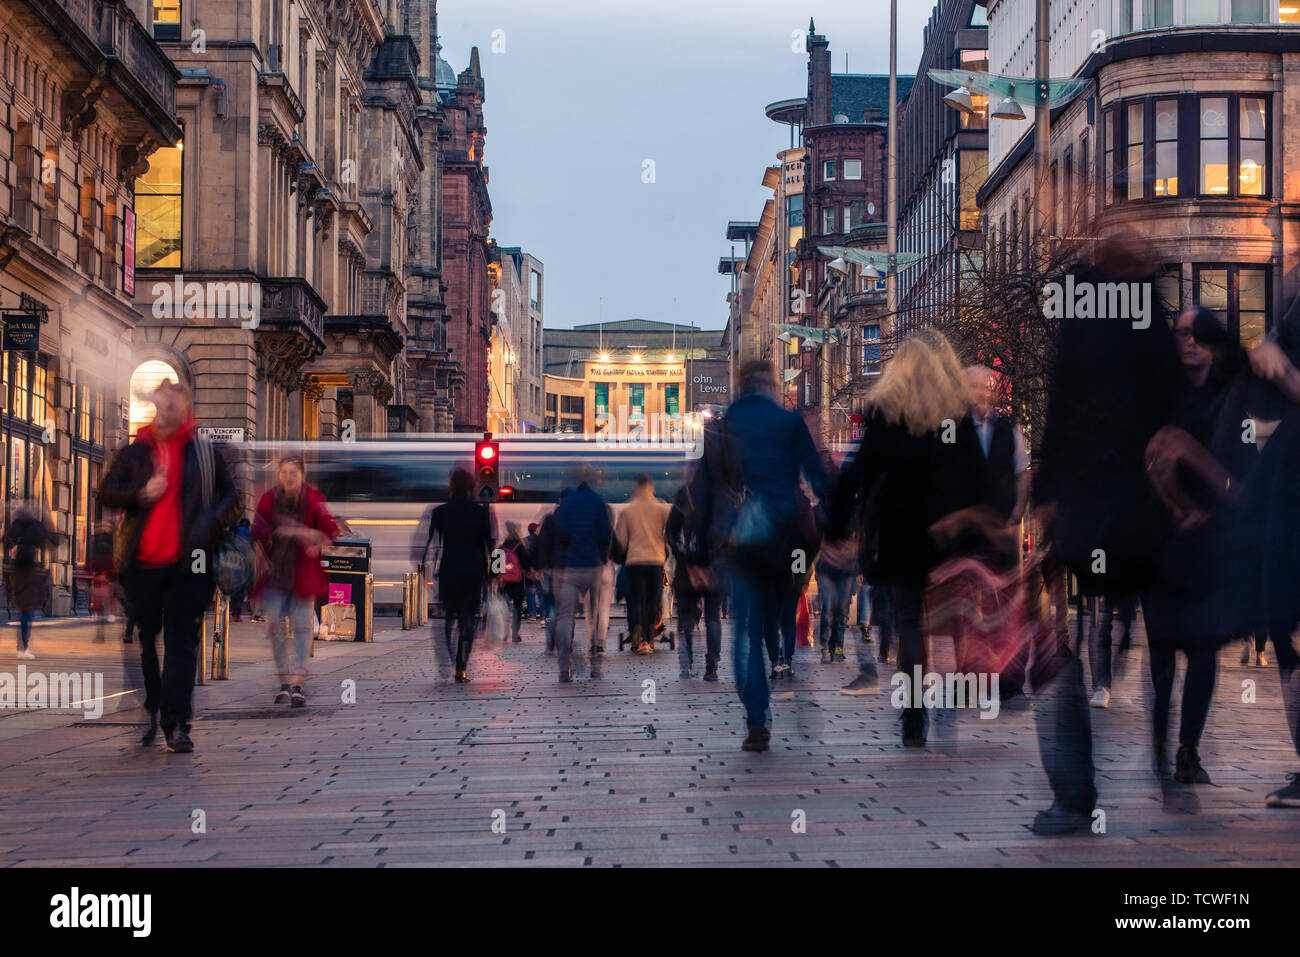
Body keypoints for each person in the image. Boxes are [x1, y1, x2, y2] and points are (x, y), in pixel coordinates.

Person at [827, 330, 988, 743]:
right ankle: (951, 698)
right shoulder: (954, 412)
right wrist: (977, 522)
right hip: (944, 531)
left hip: (899, 531)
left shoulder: (886, 410)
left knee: (909, 625)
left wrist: (837, 526)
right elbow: (974, 472)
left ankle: (914, 715)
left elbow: (858, 469)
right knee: (950, 622)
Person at [690, 360, 830, 752]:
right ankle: (789, 661)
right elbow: (818, 477)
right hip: (786, 540)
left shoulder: (722, 427)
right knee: (782, 613)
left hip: (744, 538)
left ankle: (756, 715)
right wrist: (834, 528)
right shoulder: (790, 423)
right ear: (771, 384)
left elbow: (702, 493)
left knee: (746, 631)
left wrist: (700, 552)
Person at [99, 379, 239, 754]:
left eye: (175, 402)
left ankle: (175, 722)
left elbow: (232, 496)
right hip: (142, 561)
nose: (168, 408)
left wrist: (209, 521)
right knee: (147, 639)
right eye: (163, 403)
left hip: (191, 559)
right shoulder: (136, 451)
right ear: (156, 407)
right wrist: (140, 494)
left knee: (182, 640)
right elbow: (106, 492)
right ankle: (154, 705)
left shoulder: (205, 453)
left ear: (186, 406)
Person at [252, 455, 339, 707]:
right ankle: (284, 681)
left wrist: (300, 533)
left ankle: (298, 682)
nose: (288, 477)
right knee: (275, 628)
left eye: (293, 473)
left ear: (301, 474)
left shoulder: (313, 499)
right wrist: (260, 555)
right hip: (276, 574)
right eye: (284, 473)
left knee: (302, 627)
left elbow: (329, 532)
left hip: (303, 574)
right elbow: (257, 531)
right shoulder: (269, 499)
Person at [419, 468, 493, 683]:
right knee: (469, 616)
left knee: (449, 615)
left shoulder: (440, 512)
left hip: (450, 569)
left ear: (451, 486)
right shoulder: (480, 513)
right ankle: (461, 666)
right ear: (472, 487)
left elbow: (430, 545)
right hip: (473, 570)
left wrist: (424, 570)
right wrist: (494, 576)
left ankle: (448, 657)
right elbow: (489, 547)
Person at [551, 466, 613, 681]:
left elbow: (561, 534)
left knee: (565, 616)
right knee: (595, 615)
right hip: (593, 566)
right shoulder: (598, 502)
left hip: (571, 566)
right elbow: (606, 534)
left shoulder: (566, 504)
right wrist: (603, 557)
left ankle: (563, 668)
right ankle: (596, 666)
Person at [666, 484, 721, 680]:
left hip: (687, 568)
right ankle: (712, 666)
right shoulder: (719, 493)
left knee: (686, 618)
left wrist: (682, 554)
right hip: (713, 568)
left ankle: (686, 663)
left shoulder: (685, 493)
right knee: (713, 618)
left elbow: (671, 533)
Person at [614, 474, 671, 655]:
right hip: (655, 560)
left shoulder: (628, 511)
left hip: (635, 561)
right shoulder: (662, 510)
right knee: (652, 601)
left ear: (635, 488)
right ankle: (648, 639)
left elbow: (621, 541)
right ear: (651, 488)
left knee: (636, 600)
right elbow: (670, 536)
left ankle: (636, 635)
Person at [5, 500, 54, 659]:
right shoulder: (36, 526)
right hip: (30, 573)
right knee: (28, 611)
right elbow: (53, 541)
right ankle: (24, 646)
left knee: (22, 609)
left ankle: (23, 645)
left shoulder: (16, 525)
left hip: (17, 572)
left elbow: (5, 541)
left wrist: (13, 547)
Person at [497, 521, 532, 643]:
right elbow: (527, 564)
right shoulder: (520, 546)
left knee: (505, 608)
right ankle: (515, 635)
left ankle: (504, 634)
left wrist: (498, 578)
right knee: (517, 607)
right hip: (518, 582)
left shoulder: (501, 547)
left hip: (504, 583)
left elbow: (495, 567)